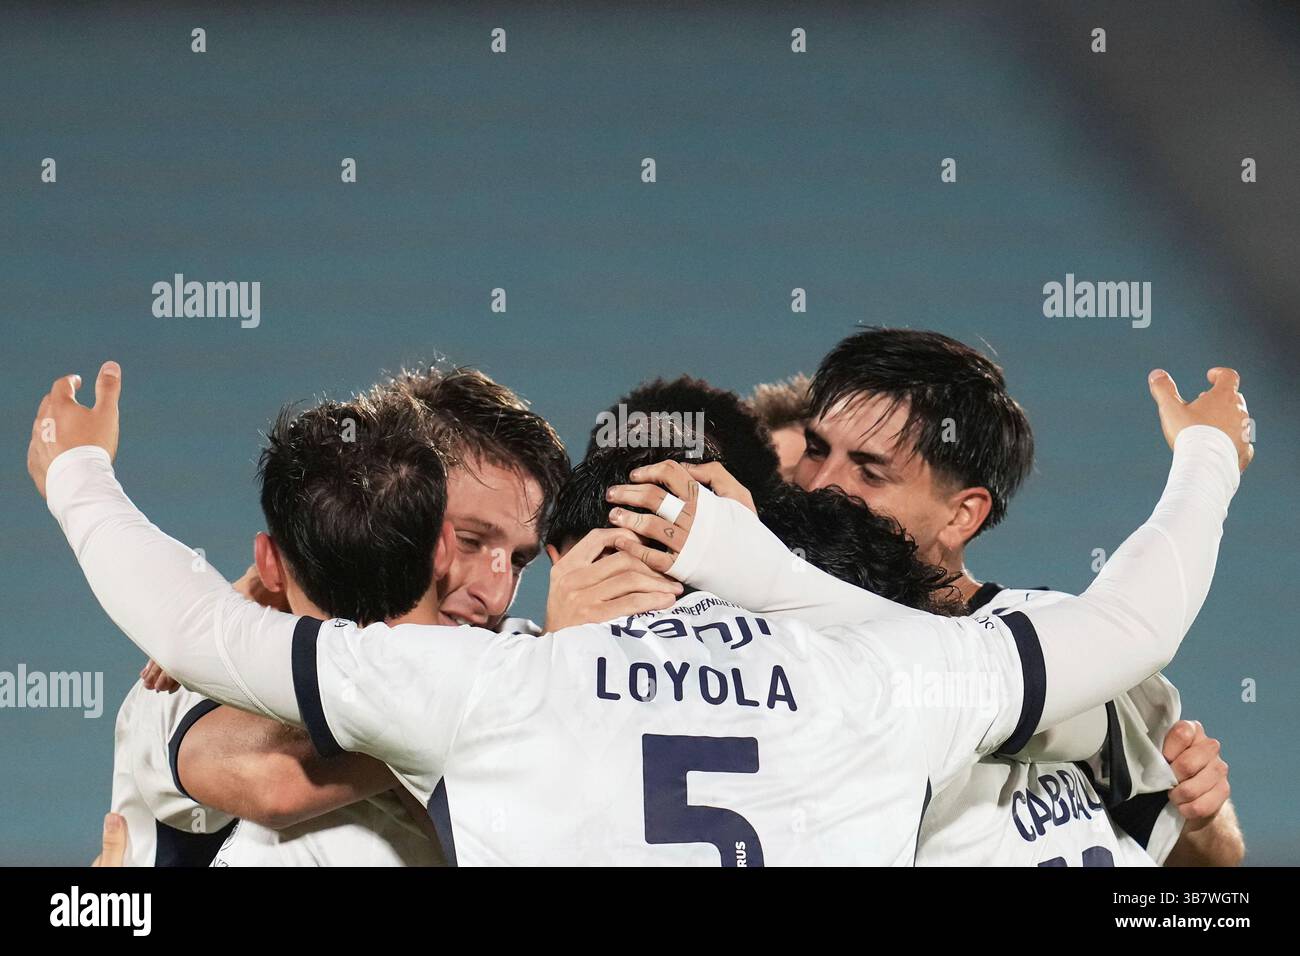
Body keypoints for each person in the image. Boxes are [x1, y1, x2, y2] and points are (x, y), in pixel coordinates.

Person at [30, 358, 1249, 865]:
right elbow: (1135, 621)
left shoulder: (494, 688)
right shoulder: (905, 677)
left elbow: (202, 639)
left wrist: (75, 473)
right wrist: (1206, 455)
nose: (486, 585)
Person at [787, 327, 1243, 865]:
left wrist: (1204, 814)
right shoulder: (772, 647)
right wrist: (1210, 451)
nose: (822, 484)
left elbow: (1205, 861)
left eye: (870, 471)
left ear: (963, 515)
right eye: (816, 450)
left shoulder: (1056, 630)